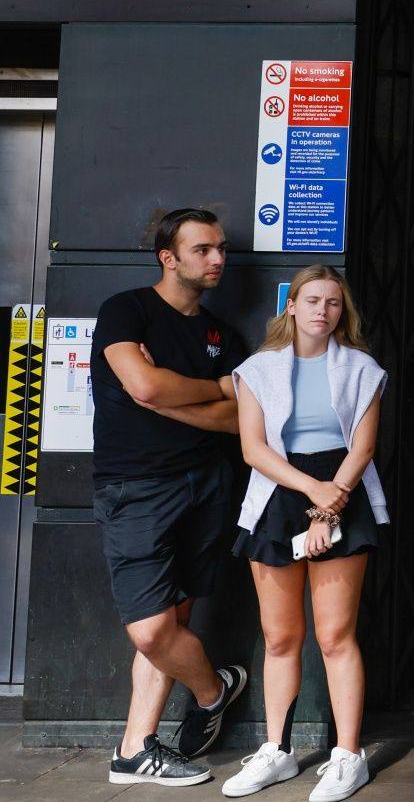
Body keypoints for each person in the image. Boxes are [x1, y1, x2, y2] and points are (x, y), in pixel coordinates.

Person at [92, 206, 250, 786]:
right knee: (152, 631)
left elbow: (240, 420)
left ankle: (135, 750)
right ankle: (215, 690)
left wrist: (170, 399)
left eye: (221, 249)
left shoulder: (222, 336)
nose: (218, 259)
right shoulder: (125, 310)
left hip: (207, 486)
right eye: (204, 249)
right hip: (135, 487)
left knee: (175, 616)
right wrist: (207, 391)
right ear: (169, 257)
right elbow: (142, 384)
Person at [220, 266, 388, 801]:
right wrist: (311, 494)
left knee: (335, 636)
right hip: (277, 494)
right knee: (279, 637)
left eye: (333, 302)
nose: (322, 310)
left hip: (343, 490)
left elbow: (361, 449)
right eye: (311, 300)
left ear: (344, 311)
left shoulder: (362, 369)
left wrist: (328, 508)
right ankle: (277, 751)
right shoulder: (257, 370)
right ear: (290, 306)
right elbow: (254, 449)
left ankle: (347, 756)